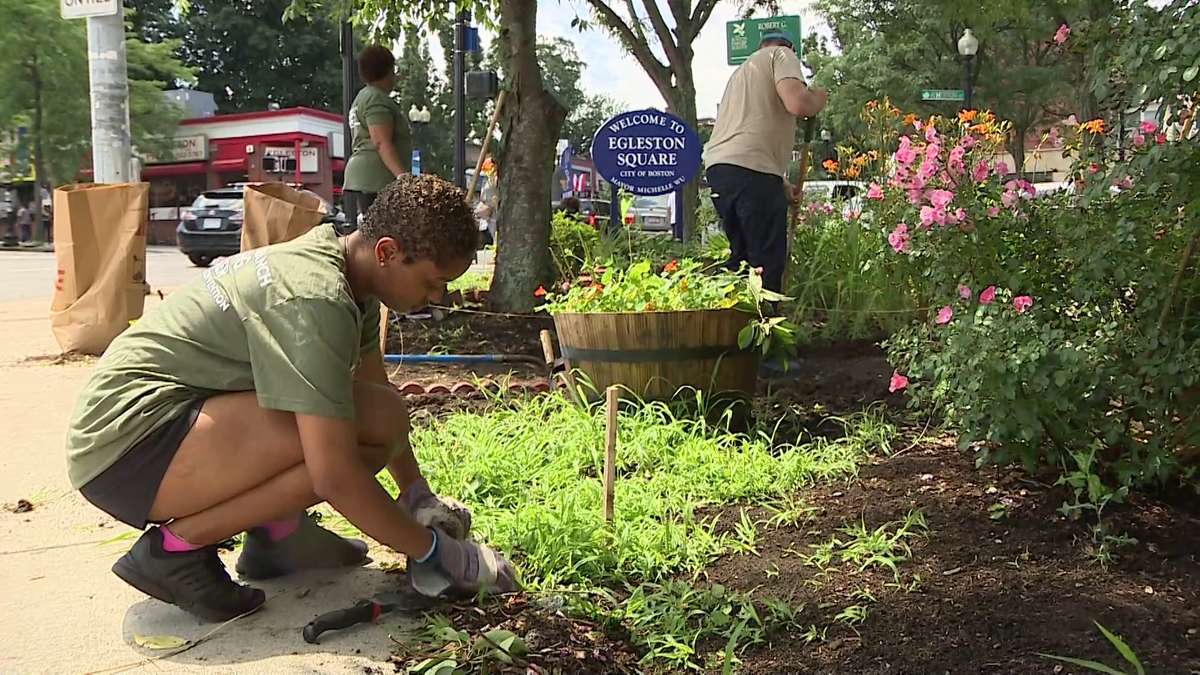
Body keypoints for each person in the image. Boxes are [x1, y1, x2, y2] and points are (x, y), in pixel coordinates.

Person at [64, 174, 517, 623]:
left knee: (375, 419)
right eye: (433, 282)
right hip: (127, 446)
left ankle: (278, 536)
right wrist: (441, 555)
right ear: (387, 252)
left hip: (160, 429)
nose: (436, 298)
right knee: (344, 445)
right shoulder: (315, 298)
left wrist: (416, 494)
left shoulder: (346, 273)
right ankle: (174, 550)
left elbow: (379, 402)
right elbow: (334, 475)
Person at [702, 27, 827, 294]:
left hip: (720, 170)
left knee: (744, 258)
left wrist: (780, 182)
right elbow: (799, 104)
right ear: (790, 48)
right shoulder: (780, 56)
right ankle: (767, 328)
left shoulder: (741, 74)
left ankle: (733, 326)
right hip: (752, 173)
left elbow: (742, 138)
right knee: (766, 264)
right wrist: (817, 98)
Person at [344, 45, 412, 226]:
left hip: (364, 176)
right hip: (377, 178)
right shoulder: (376, 99)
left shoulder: (361, 97)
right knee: (386, 231)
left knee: (375, 230)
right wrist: (403, 177)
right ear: (388, 71)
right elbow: (381, 141)